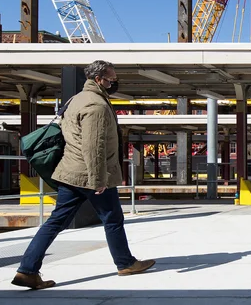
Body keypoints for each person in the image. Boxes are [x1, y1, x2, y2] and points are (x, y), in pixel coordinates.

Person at [12, 60, 154, 290]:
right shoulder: (95, 105)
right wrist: (98, 180)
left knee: (55, 222)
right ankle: (125, 263)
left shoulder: (75, 99)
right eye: (111, 79)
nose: (114, 83)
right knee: (113, 219)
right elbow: (93, 145)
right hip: (91, 175)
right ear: (99, 80)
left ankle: (27, 270)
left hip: (70, 172)